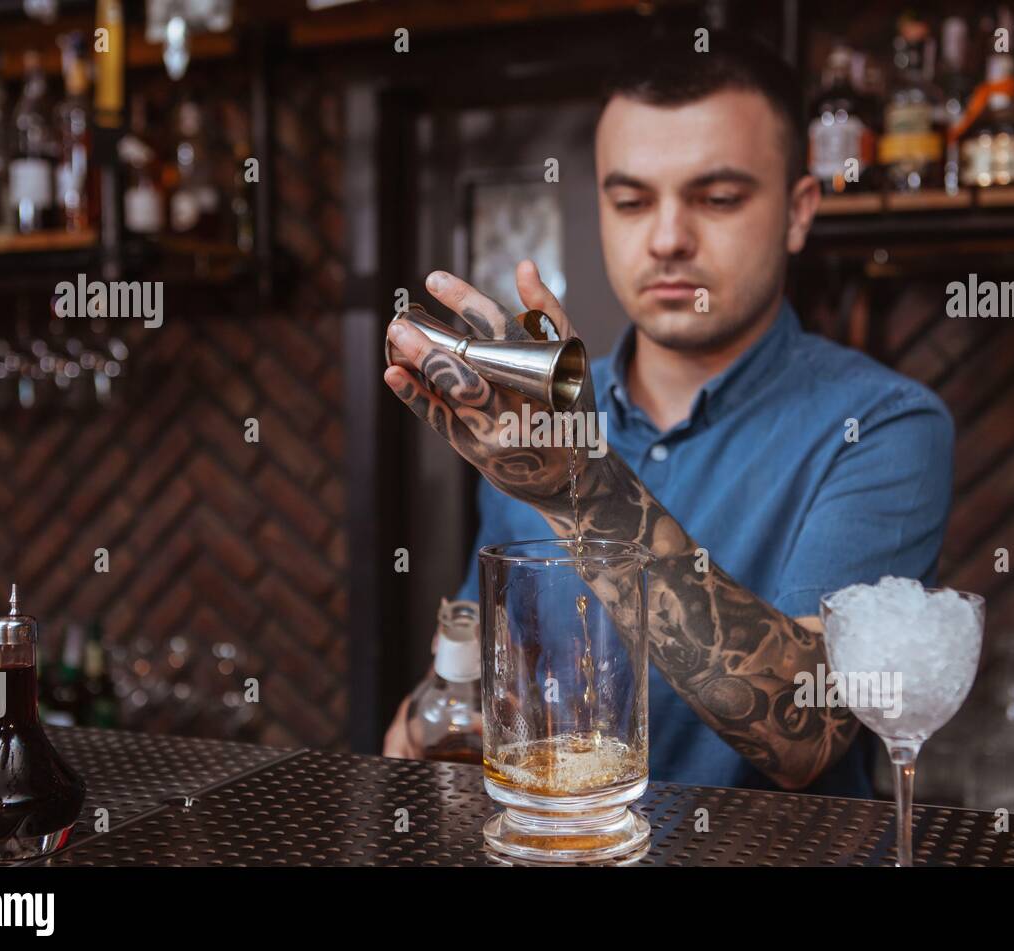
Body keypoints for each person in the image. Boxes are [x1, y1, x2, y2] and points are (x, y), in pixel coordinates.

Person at [381, 30, 954, 796]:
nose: (667, 238)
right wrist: (425, 725)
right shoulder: (531, 422)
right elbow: (472, 681)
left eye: (717, 198)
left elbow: (807, 729)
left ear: (797, 211)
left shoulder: (883, 425)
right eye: (631, 200)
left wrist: (578, 486)